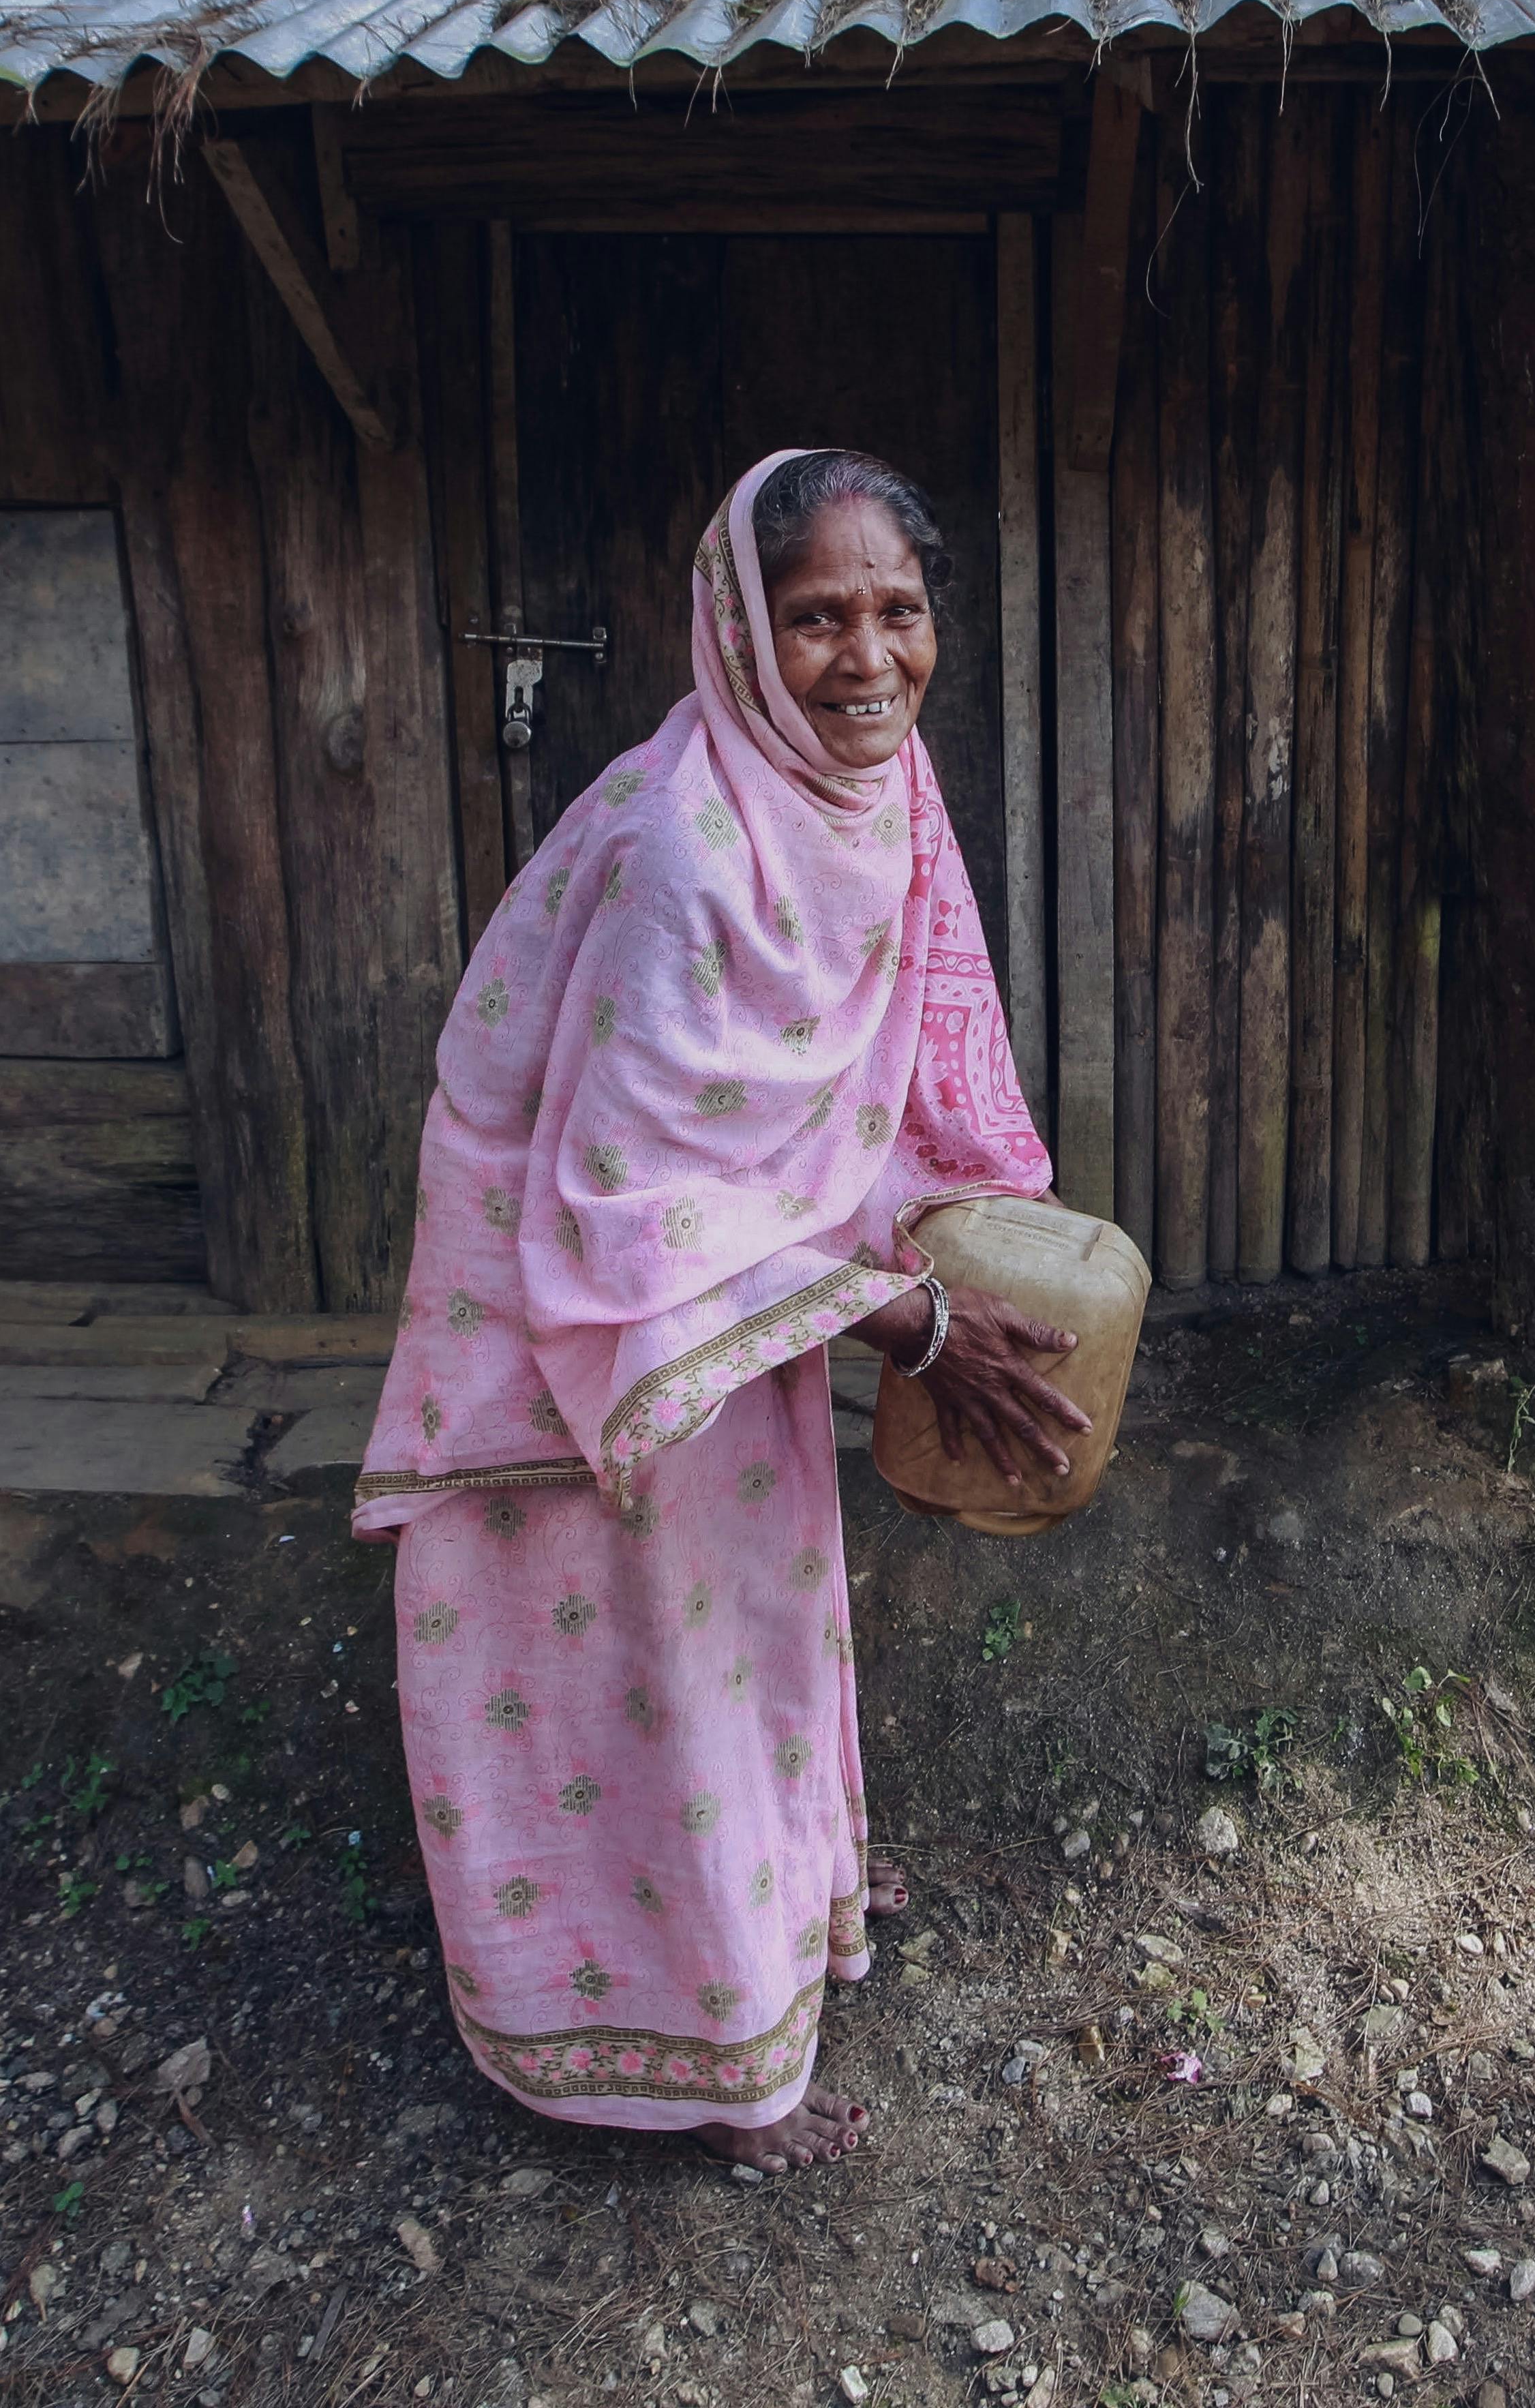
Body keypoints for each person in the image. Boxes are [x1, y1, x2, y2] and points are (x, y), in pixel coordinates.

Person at [354, 449, 1090, 2173]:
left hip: (737, 1310)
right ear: (737, 629)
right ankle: (706, 2073)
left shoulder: (882, 797)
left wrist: (957, 1254)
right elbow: (626, 1212)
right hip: (586, 1343)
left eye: (895, 612)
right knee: (642, 1682)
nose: (865, 660)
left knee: (750, 1621)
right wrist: (908, 1323)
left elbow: (891, 1076)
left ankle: (788, 1902)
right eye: (815, 617)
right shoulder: (686, 844)